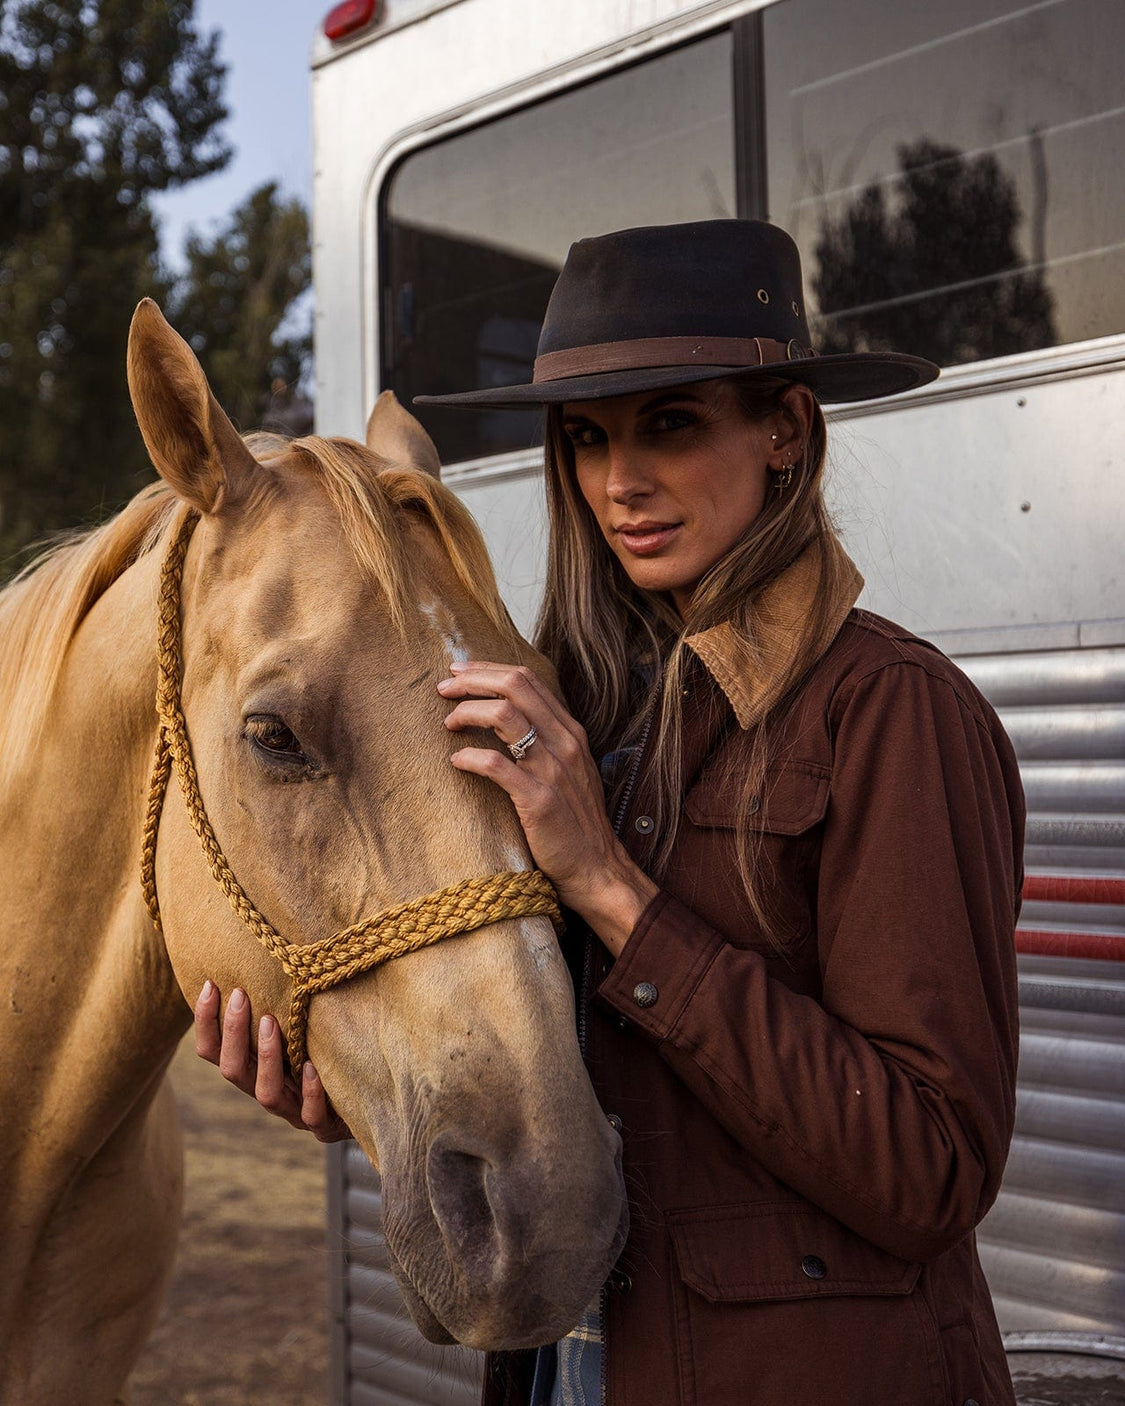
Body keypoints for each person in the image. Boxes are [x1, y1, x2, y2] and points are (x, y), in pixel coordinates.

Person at [196, 220, 1024, 1406]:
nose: (619, 481)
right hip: (566, 1359)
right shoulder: (571, 709)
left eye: (672, 424)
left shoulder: (892, 709)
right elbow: (565, 1059)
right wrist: (363, 1095)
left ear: (785, 428)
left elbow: (931, 1165)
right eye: (587, 439)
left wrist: (616, 894)